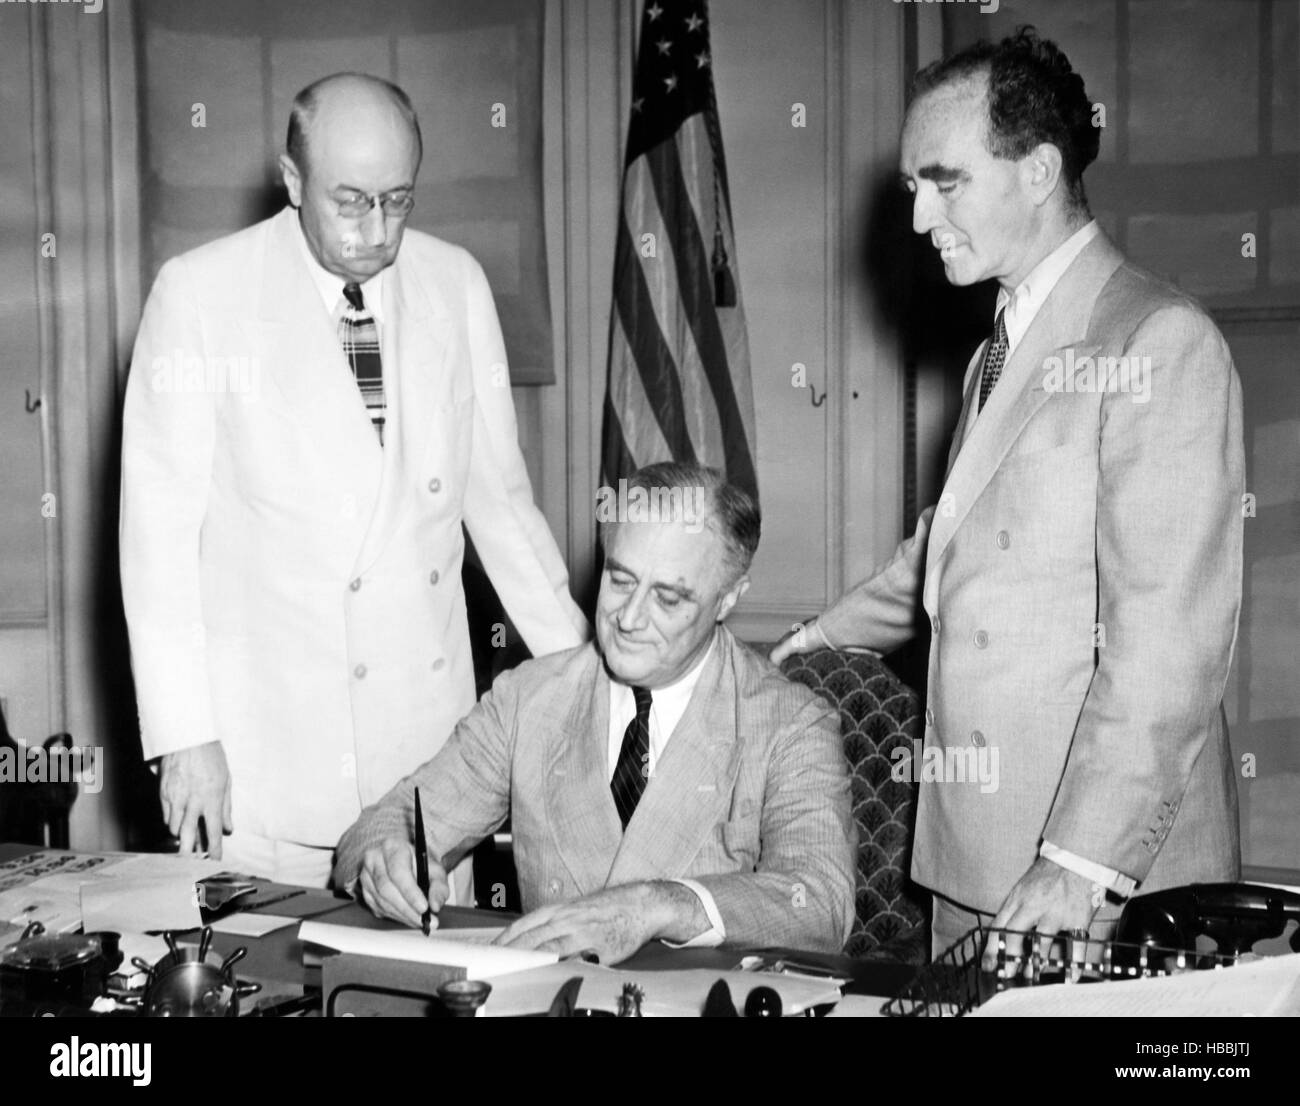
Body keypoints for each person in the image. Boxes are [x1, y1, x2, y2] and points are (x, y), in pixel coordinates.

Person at [773, 29, 1243, 958]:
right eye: (913, 187)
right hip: (974, 863)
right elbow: (945, 562)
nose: (917, 218)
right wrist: (801, 647)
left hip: (1091, 888)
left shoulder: (1157, 341)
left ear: (1038, 171)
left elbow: (1168, 643)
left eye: (944, 181)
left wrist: (1078, 861)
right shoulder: (1001, 346)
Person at [120, 73, 588, 889]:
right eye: (351, 201)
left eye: (398, 201)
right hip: (269, 770)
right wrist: (183, 738)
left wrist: (587, 679)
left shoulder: (456, 283)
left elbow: (505, 511)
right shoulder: (200, 296)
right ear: (293, 179)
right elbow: (156, 540)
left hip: (428, 775)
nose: (376, 231)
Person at [335, 463, 856, 963]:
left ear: (728, 599)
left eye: (668, 598)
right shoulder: (529, 699)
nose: (628, 619)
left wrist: (658, 904)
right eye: (621, 580)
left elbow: (818, 904)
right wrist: (387, 861)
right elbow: (382, 827)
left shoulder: (790, 724)